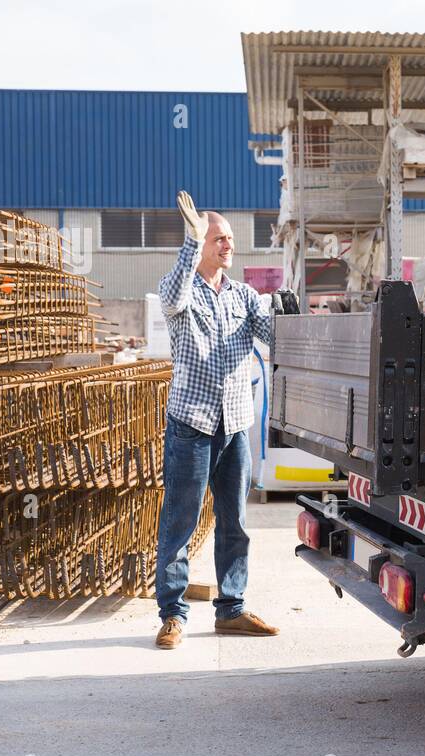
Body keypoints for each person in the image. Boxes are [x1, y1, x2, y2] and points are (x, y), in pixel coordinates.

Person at [153, 191, 278, 649]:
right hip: (192, 424)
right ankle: (172, 615)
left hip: (235, 424)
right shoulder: (183, 290)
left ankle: (232, 609)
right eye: (218, 238)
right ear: (200, 245)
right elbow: (171, 299)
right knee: (179, 523)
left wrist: (286, 310)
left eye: (230, 238)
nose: (228, 244)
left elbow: (273, 336)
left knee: (235, 522)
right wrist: (189, 242)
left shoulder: (244, 296)